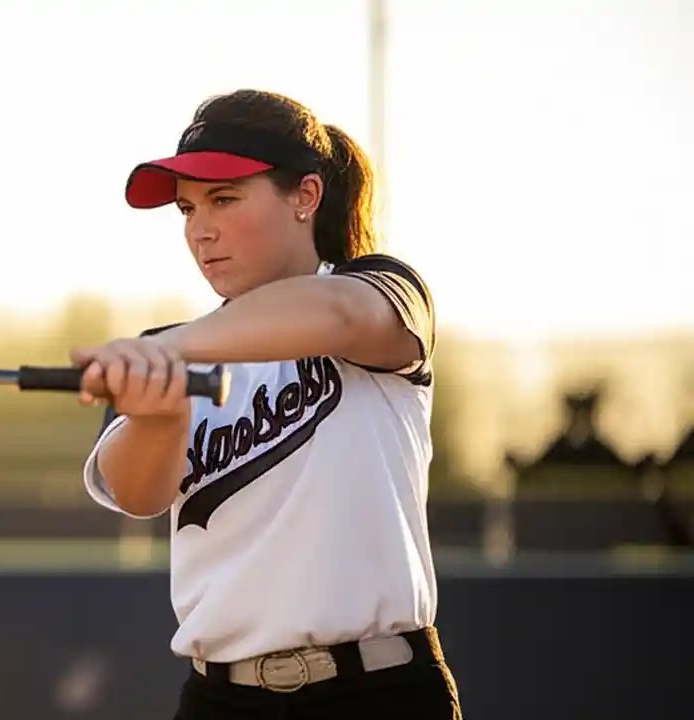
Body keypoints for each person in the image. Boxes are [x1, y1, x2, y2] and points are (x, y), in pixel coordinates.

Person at [72, 89, 463, 719]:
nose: (201, 229)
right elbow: (137, 494)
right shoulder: (170, 354)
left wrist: (171, 353)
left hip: (377, 691)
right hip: (221, 700)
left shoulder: (380, 287)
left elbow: (336, 315)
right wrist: (162, 410)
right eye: (186, 209)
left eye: (225, 199)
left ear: (305, 196)